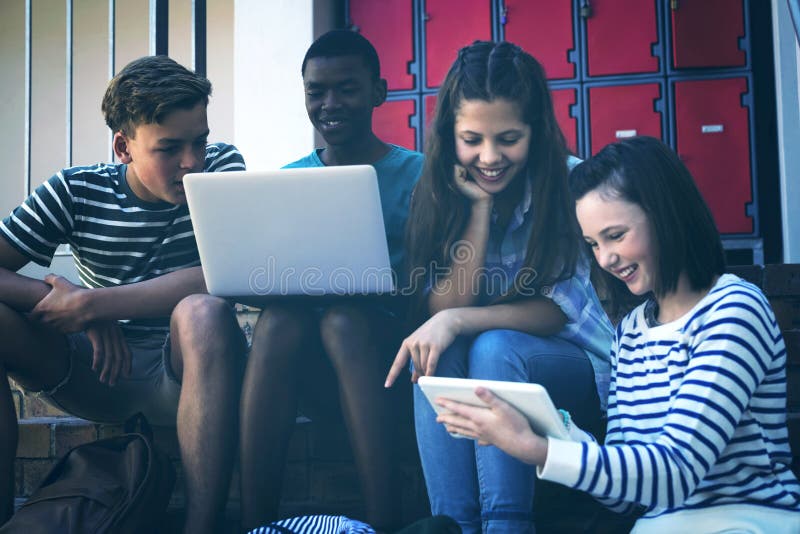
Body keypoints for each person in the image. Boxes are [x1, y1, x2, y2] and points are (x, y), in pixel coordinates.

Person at [434, 136, 800, 533]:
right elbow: (625, 496)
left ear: (665, 214)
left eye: (616, 235)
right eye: (592, 244)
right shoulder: (632, 331)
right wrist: (551, 427)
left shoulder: (734, 309)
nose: (605, 259)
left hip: (744, 520)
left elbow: (676, 471)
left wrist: (537, 448)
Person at [0, 55, 247, 534]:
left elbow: (223, 272)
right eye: (170, 148)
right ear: (123, 146)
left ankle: (203, 528)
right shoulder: (74, 190)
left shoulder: (222, 168)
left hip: (188, 367)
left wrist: (96, 304)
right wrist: (69, 305)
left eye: (200, 141)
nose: (192, 161)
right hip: (96, 370)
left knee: (202, 312)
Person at [384, 41, 613, 534]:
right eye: (473, 139)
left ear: (535, 132)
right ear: (451, 135)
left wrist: (455, 320)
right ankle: (454, 526)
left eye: (508, 138)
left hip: (578, 370)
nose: (489, 157)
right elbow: (446, 305)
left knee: (492, 347)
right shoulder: (442, 192)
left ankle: (508, 525)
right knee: (439, 356)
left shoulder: (570, 184)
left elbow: (557, 311)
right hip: (500, 366)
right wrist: (479, 213)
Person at [240, 30, 423, 532]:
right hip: (305, 366)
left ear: (379, 92)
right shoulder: (287, 180)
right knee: (278, 319)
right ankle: (257, 525)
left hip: (385, 362)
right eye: (315, 92)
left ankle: (387, 522)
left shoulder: (418, 174)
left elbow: (436, 283)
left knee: (344, 320)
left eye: (346, 89)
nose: (329, 104)